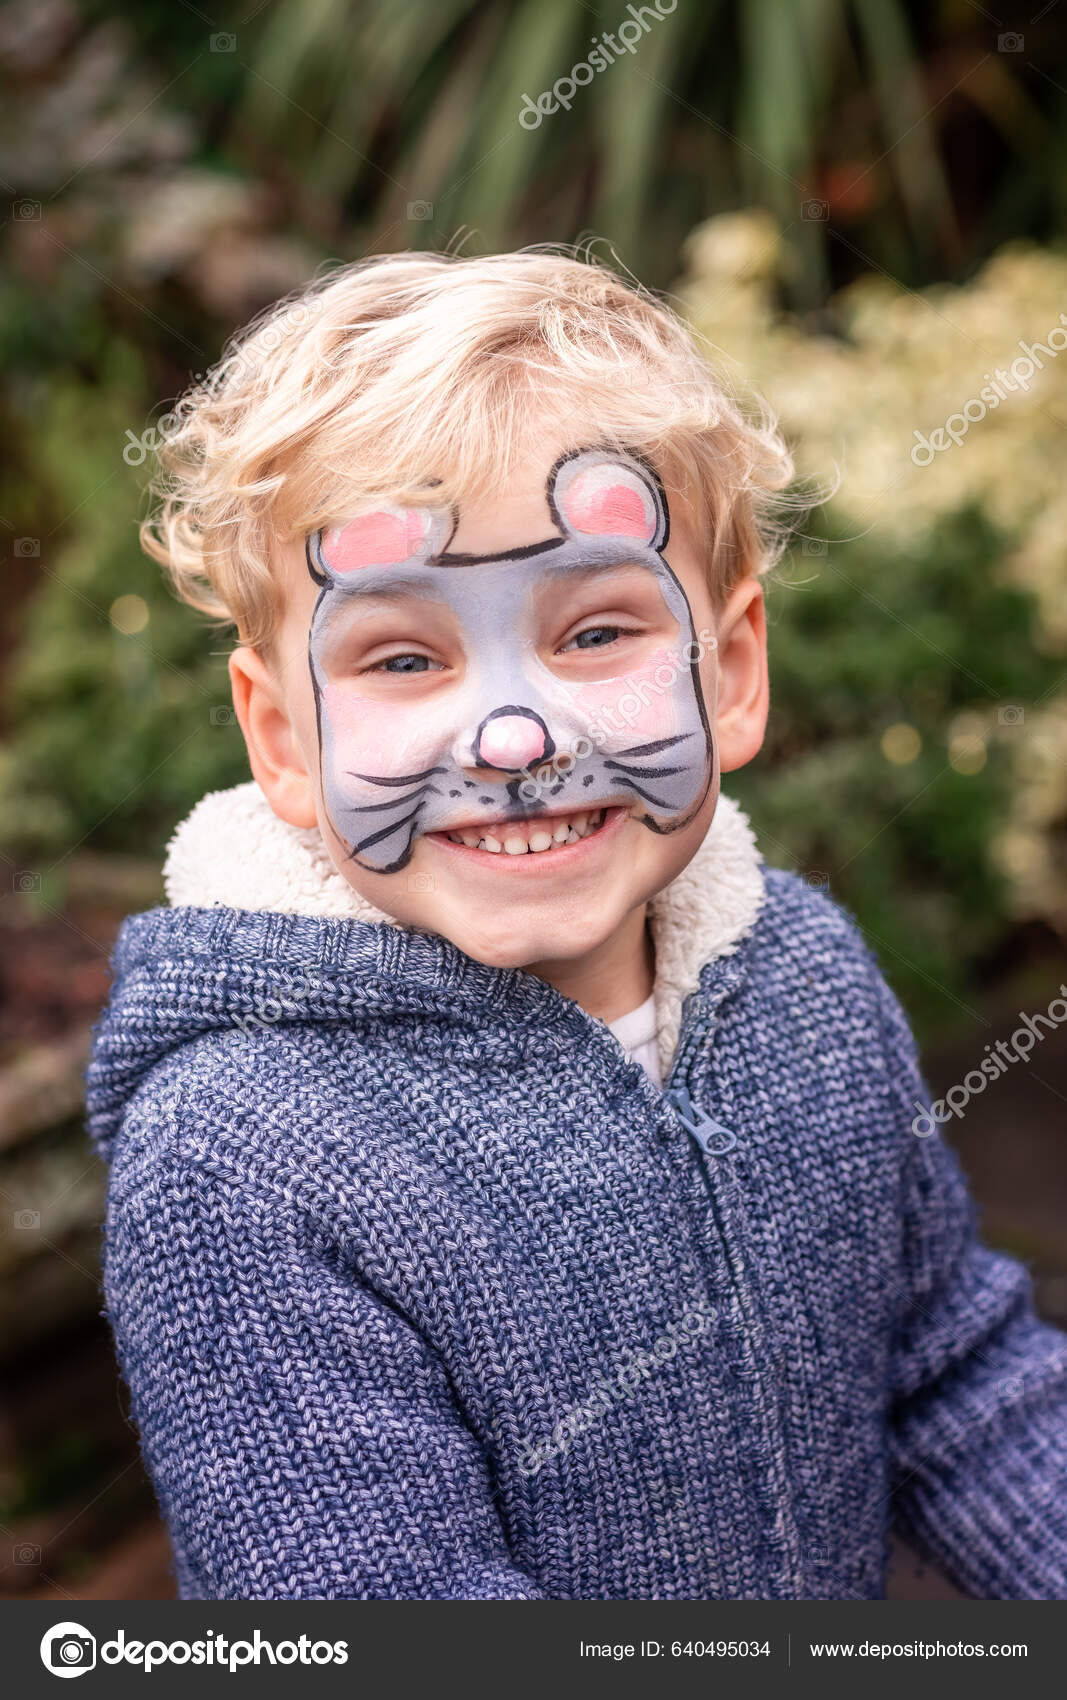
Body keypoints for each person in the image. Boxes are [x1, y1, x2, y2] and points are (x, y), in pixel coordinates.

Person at [87, 251, 1067, 1600]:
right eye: (404, 657)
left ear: (728, 673)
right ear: (283, 738)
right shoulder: (241, 1162)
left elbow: (954, 1375)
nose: (511, 737)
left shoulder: (805, 984)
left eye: (595, 631)